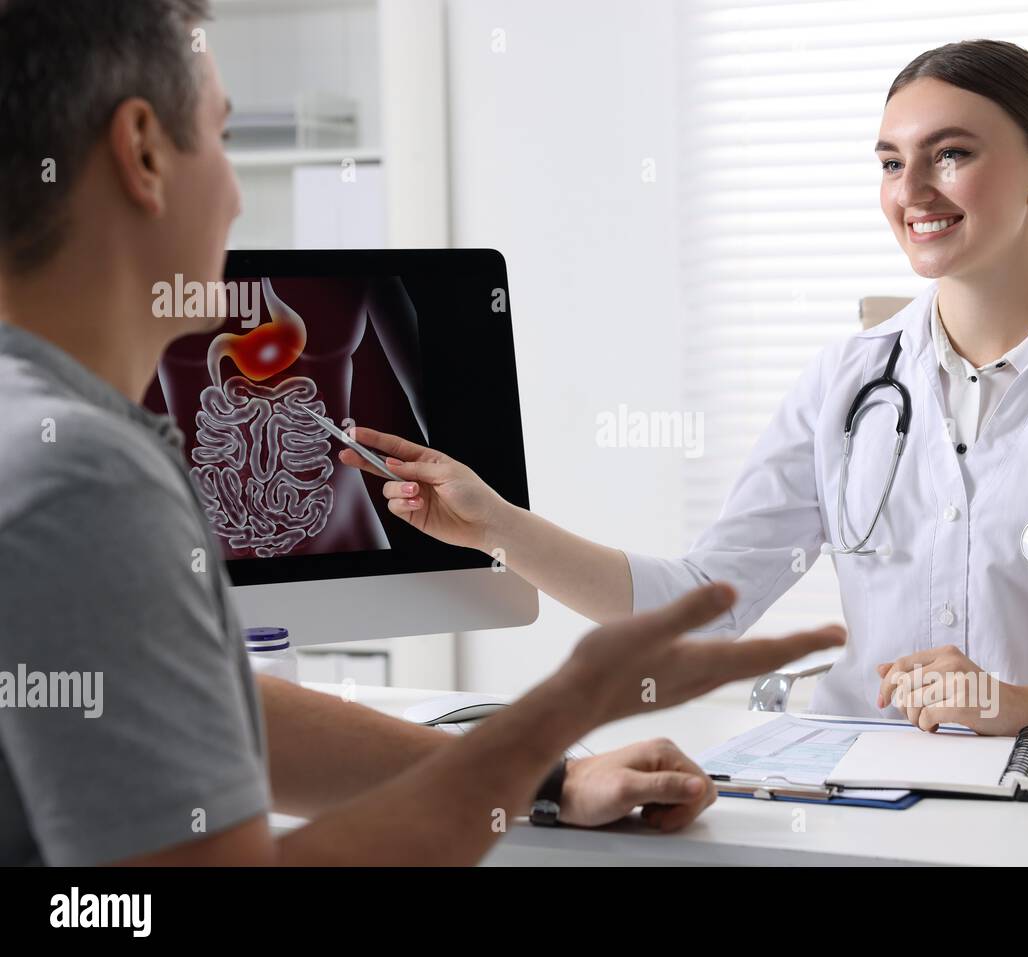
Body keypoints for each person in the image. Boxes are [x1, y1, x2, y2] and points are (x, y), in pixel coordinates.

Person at [0, 0, 846, 866]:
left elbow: (208, 711)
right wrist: (564, 707)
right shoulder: (81, 480)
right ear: (143, 151)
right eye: (217, 138)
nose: (238, 193)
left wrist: (543, 776)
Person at [345, 39, 1028, 742]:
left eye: (950, 154)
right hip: (848, 776)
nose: (911, 189)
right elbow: (701, 605)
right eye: (889, 160)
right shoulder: (847, 381)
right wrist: (497, 522)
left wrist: (1018, 705)